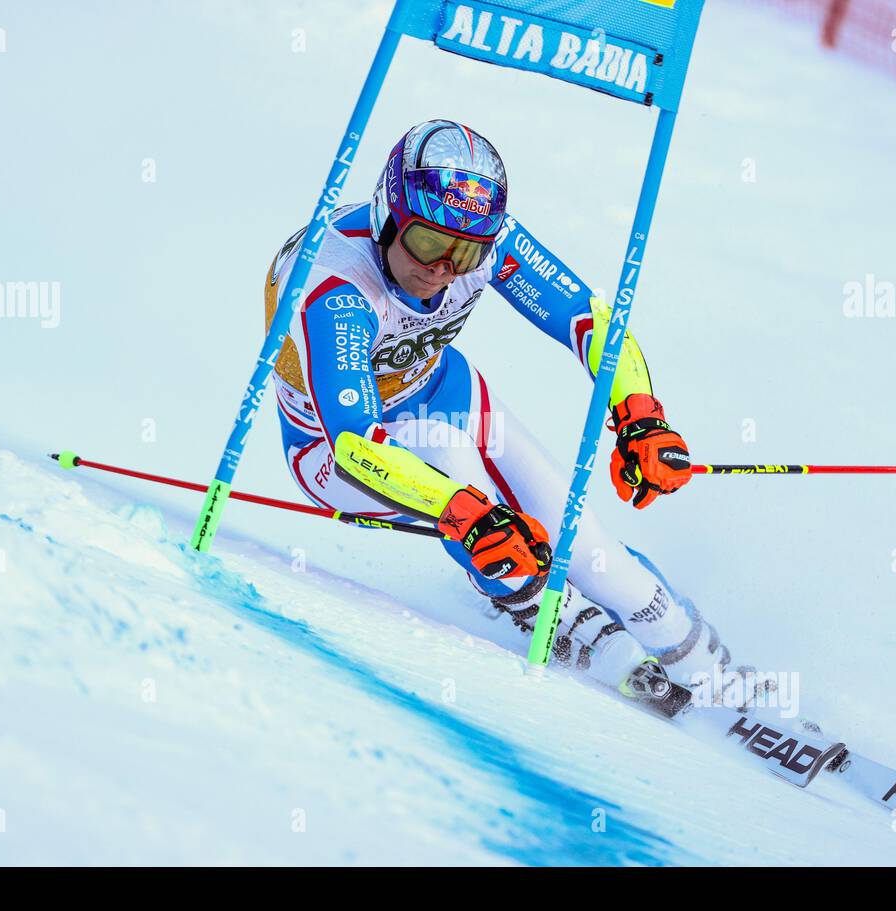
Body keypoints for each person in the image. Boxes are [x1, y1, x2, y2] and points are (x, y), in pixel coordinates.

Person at [262, 119, 752, 708]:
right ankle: (561, 621)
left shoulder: (484, 240)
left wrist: (639, 415)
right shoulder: (334, 285)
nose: (442, 267)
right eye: (425, 243)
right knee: (463, 481)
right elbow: (357, 446)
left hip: (440, 389)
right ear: (387, 213)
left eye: (464, 252)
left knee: (591, 548)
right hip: (334, 453)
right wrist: (463, 511)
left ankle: (701, 663)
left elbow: (590, 320)